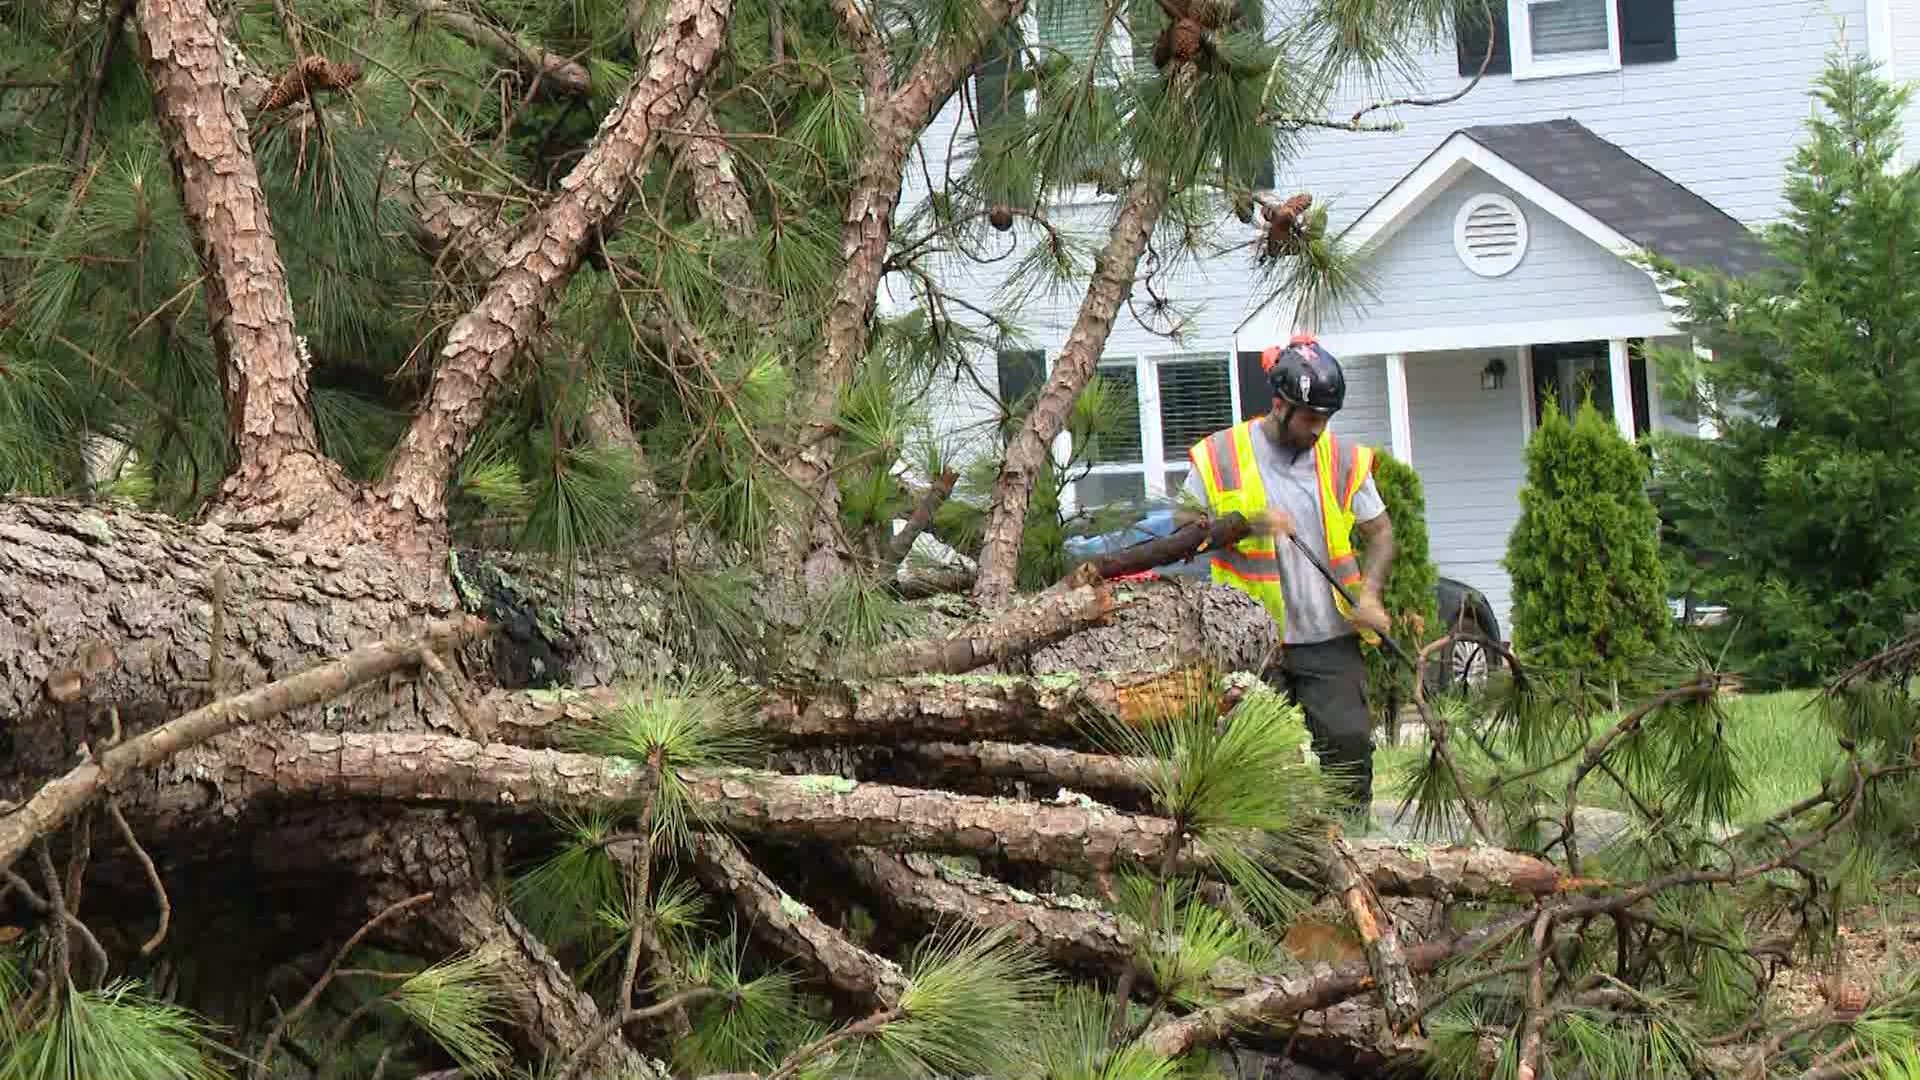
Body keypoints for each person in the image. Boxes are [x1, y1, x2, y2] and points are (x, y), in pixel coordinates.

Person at [1174, 334, 1395, 814]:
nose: (1319, 429)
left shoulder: (1342, 460)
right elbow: (1183, 532)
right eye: (1311, 418)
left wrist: (1372, 594)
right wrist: (1247, 524)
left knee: (1349, 747)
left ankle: (1353, 852)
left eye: (1326, 419)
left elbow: (1380, 532)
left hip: (1330, 638)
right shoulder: (1219, 456)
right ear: (1280, 405)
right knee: (1257, 762)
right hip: (1250, 642)